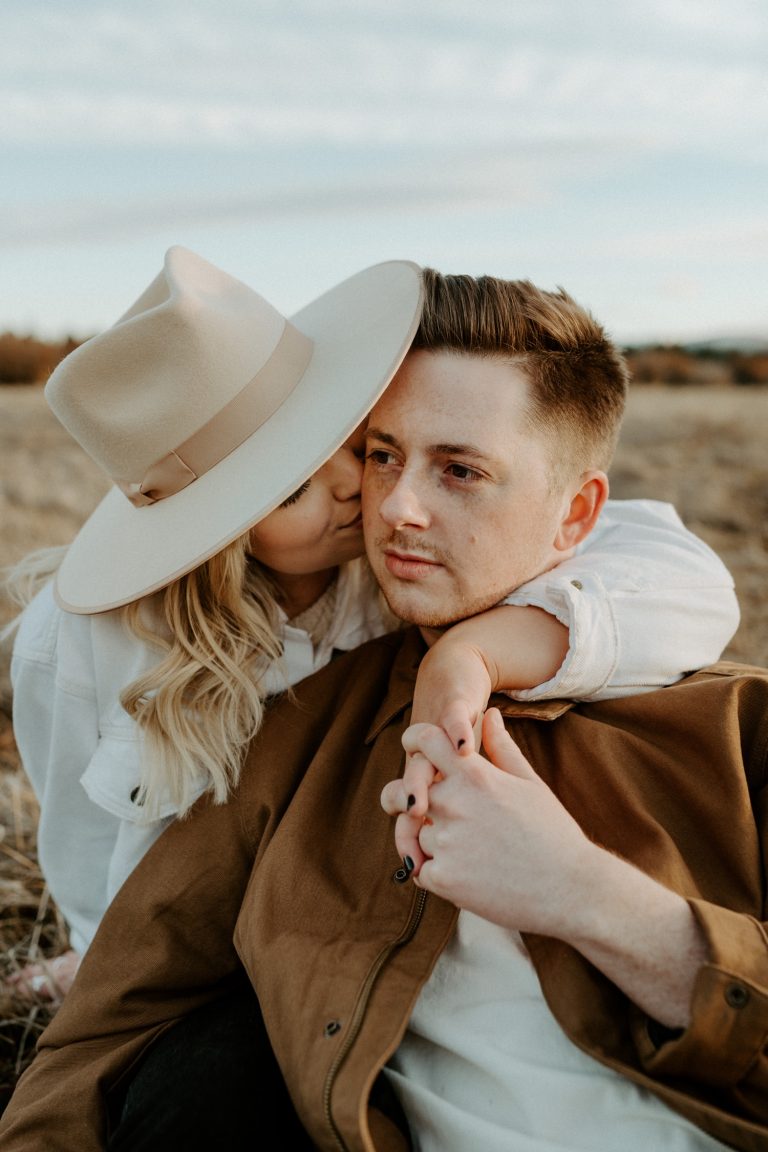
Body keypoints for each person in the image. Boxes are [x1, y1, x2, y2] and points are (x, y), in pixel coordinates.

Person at [1, 270, 763, 1152]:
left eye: (461, 470)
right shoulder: (288, 744)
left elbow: (668, 560)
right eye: (386, 453)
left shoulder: (727, 728)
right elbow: (117, 1004)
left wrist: (582, 892)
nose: (389, 507)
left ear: (576, 514)